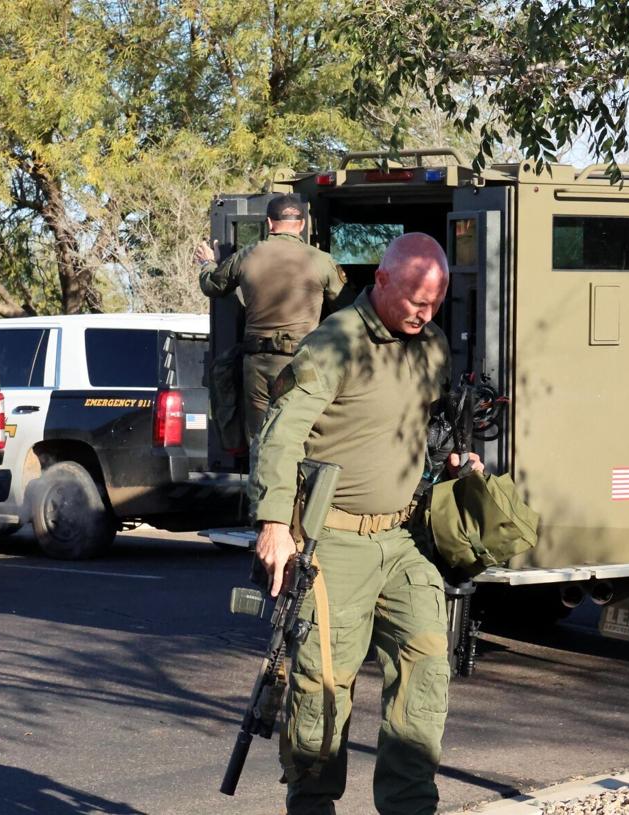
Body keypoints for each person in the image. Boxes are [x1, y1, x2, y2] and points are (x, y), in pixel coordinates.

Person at [248, 233, 482, 815]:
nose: (424, 314)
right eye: (414, 300)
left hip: (404, 539)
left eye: (435, 303)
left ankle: (409, 805)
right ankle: (313, 802)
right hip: (336, 543)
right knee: (321, 689)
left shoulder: (431, 346)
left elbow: (417, 429)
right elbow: (281, 435)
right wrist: (276, 522)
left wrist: (449, 463)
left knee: (427, 668)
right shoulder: (333, 346)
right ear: (380, 281)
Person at [196, 195, 346, 442]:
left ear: (269, 223)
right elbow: (346, 307)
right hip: (301, 363)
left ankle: (260, 478)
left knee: (260, 440)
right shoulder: (322, 261)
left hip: (257, 364)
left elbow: (213, 285)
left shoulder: (246, 256)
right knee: (295, 436)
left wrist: (207, 264)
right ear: (302, 224)